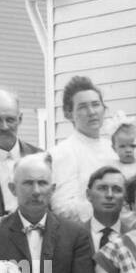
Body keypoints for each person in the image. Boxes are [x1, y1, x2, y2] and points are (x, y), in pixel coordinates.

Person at [49, 76, 120, 224]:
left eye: (96, 104)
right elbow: (62, 208)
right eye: (82, 107)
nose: (92, 112)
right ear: (68, 114)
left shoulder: (115, 147)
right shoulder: (62, 153)